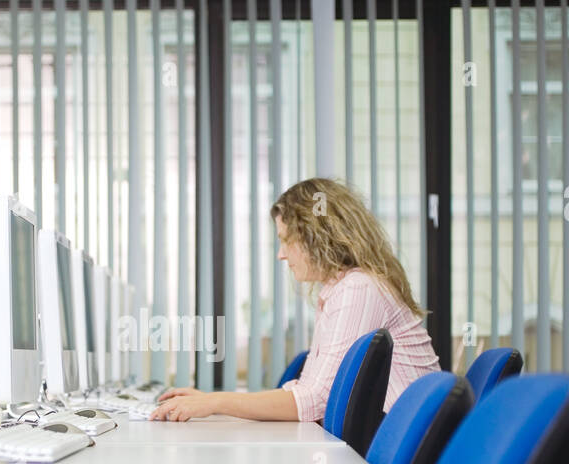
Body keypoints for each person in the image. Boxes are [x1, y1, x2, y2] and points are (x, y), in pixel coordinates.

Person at [150, 178, 440, 423]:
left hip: (394, 438)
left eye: (286, 240)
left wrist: (215, 403)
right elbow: (310, 390)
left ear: (317, 236)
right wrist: (212, 400)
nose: (281, 254)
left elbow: (315, 399)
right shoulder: (342, 289)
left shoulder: (359, 289)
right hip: (383, 431)